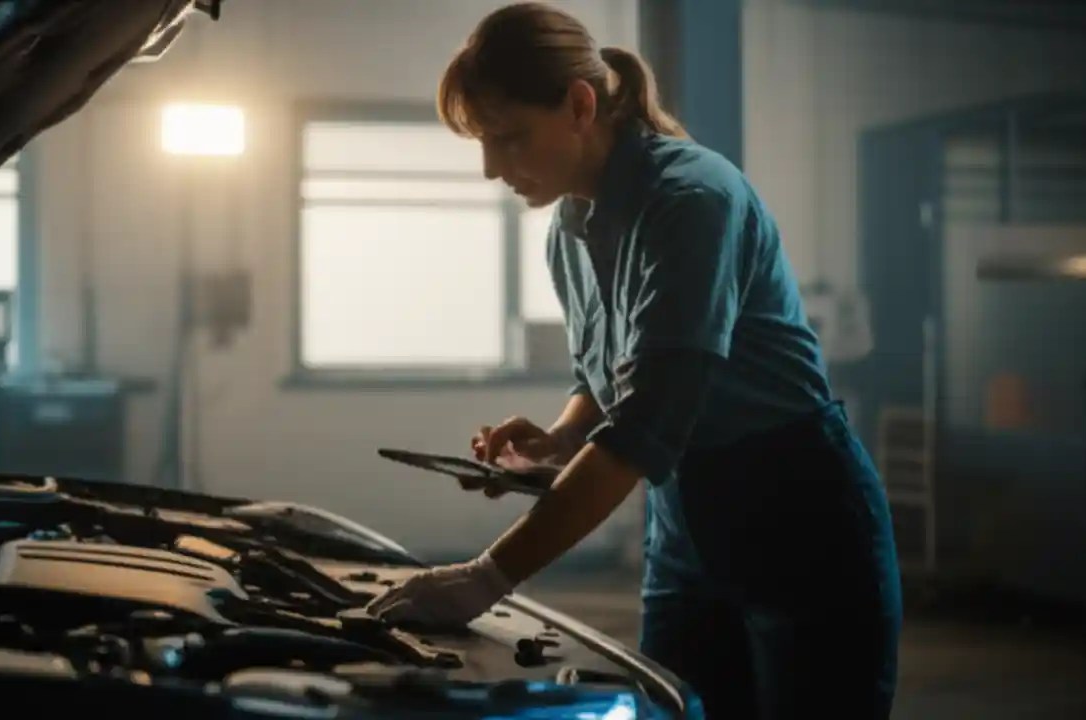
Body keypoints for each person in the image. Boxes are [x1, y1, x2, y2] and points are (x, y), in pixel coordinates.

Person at [364, 3, 903, 718]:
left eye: (509, 138)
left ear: (580, 105)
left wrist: (486, 578)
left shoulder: (691, 200)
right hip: (685, 524)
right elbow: (609, 380)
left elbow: (643, 429)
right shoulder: (570, 225)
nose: (493, 168)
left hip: (798, 517)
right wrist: (559, 441)